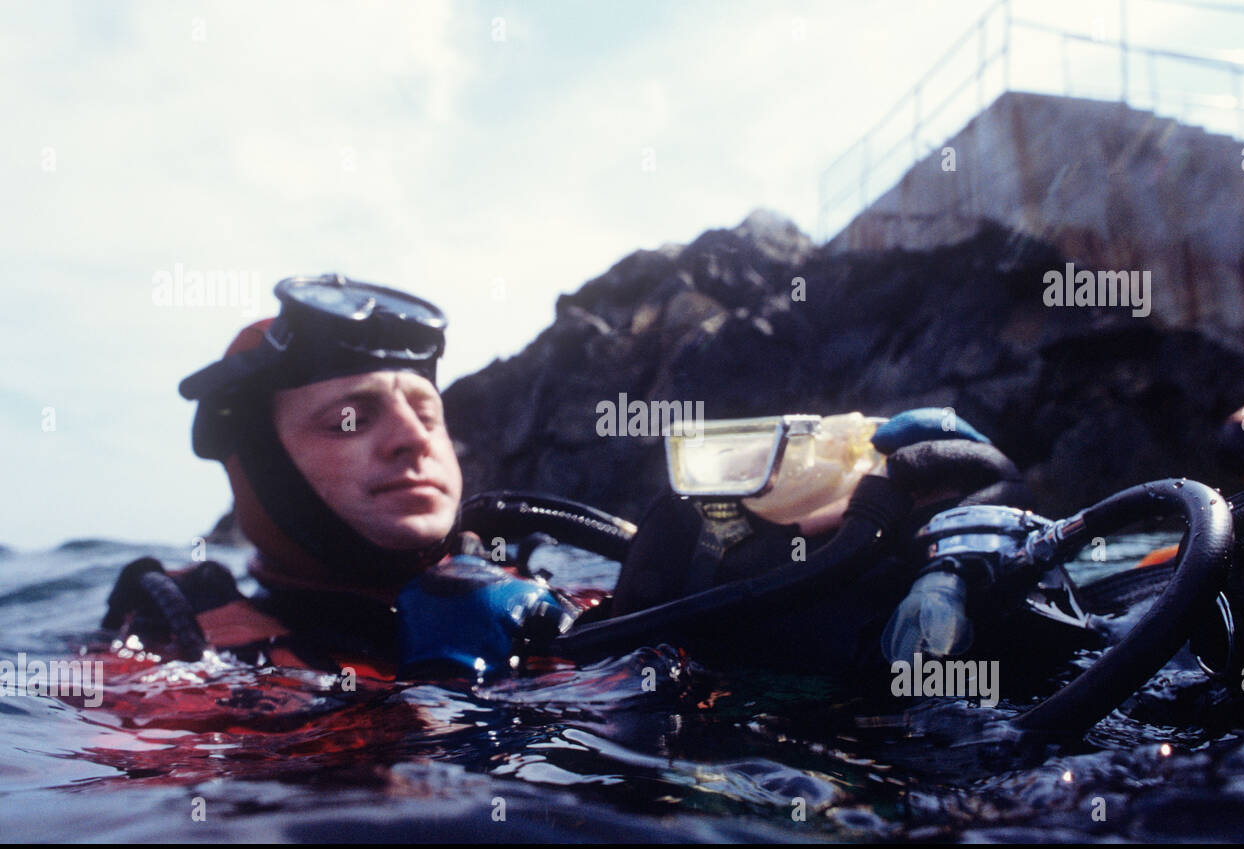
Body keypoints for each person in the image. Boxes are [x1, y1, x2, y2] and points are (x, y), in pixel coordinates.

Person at [102, 273, 1028, 681]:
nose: (405, 440)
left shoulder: (541, 588)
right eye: (350, 417)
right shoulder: (179, 646)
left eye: (425, 411)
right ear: (255, 467)